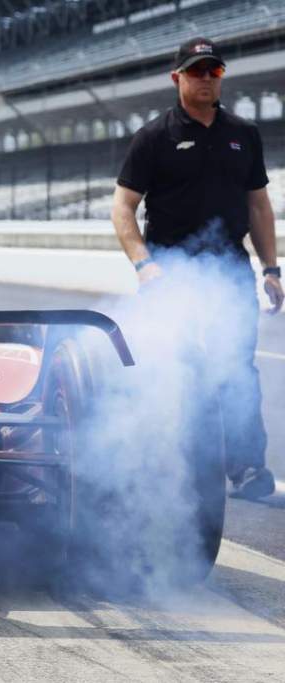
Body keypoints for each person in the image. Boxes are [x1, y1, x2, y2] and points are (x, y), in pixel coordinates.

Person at [111, 38, 282, 501]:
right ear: (177, 78)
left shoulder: (243, 133)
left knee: (238, 370)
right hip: (171, 273)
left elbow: (259, 206)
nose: (206, 78)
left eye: (214, 71)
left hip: (229, 269)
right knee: (180, 370)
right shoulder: (154, 136)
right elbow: (123, 208)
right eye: (197, 70)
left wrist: (271, 268)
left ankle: (247, 470)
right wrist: (145, 266)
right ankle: (177, 462)